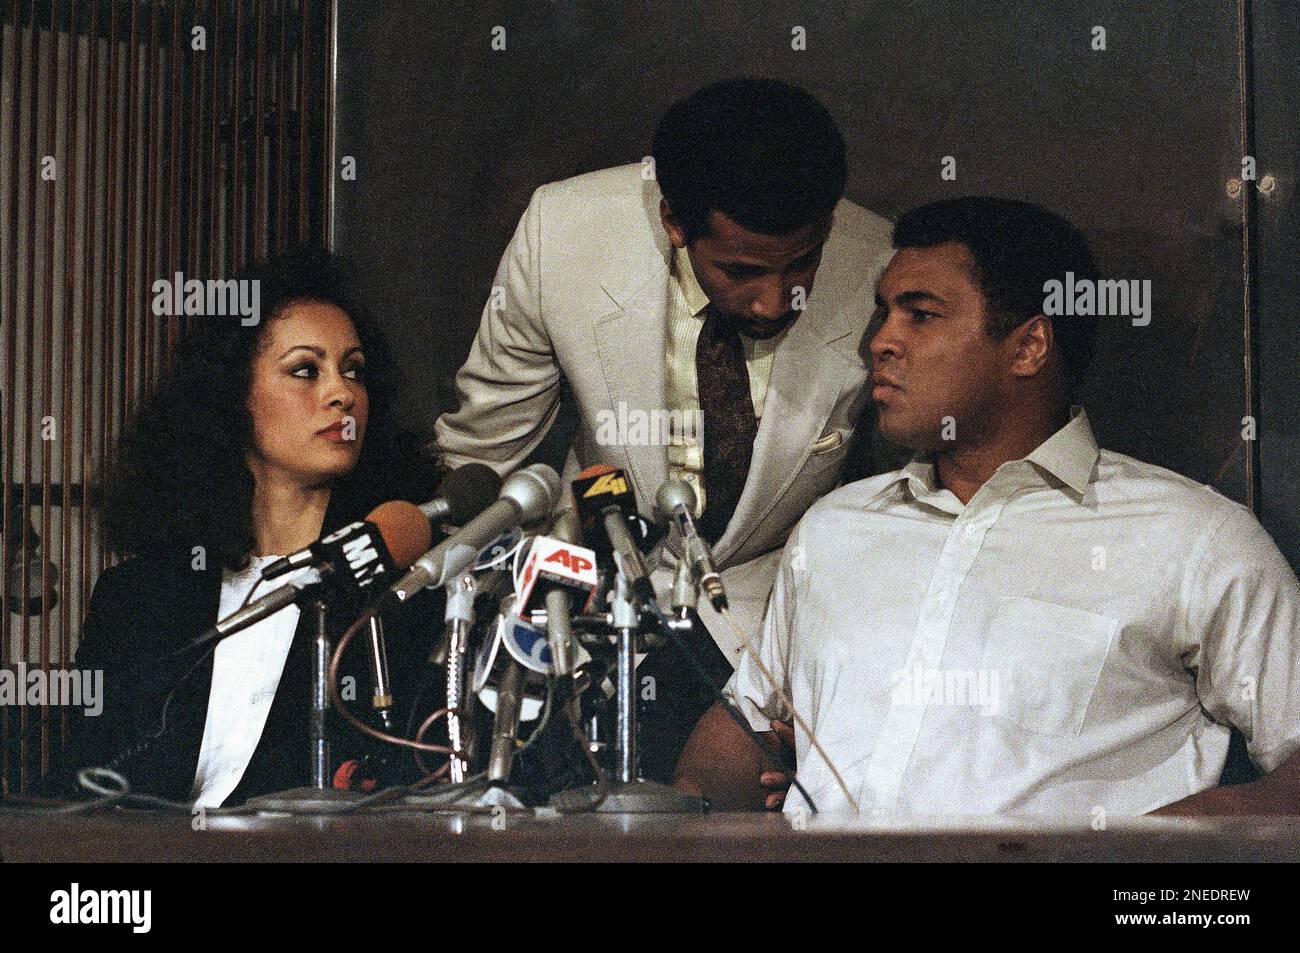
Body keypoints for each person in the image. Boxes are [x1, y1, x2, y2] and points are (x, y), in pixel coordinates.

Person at [674, 197, 1300, 816]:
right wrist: (672, 816)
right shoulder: (834, 530)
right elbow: (742, 738)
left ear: (1028, 347)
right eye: (883, 312)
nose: (879, 343)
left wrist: (1166, 845)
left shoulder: (1196, 540)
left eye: (919, 315)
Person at [434, 78, 893, 781]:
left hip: (770, 635)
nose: (775, 298)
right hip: (584, 615)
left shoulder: (882, 266)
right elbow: (483, 462)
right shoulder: (565, 235)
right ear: (675, 221)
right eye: (741, 270)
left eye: (802, 264)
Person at [54, 248, 442, 807]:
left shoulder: (406, 590)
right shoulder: (135, 599)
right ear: (233, 396)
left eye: (353, 370)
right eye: (305, 370)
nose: (342, 393)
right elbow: (83, 792)